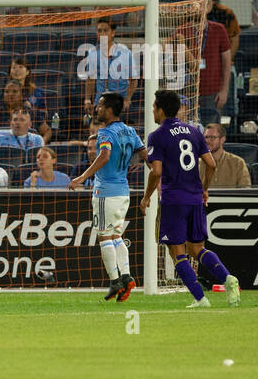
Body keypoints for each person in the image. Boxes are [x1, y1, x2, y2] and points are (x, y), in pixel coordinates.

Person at [140, 89, 240, 308]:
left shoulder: (157, 135)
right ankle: (228, 278)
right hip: (195, 199)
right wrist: (204, 189)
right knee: (197, 249)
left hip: (173, 200)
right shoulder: (194, 131)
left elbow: (156, 172)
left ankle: (200, 298)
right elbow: (211, 164)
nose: (153, 111)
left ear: (162, 110)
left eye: (154, 107)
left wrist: (146, 197)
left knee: (178, 252)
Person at [69, 91, 146, 302]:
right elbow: (146, 156)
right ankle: (127, 276)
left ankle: (115, 281)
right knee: (116, 237)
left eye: (101, 105)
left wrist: (82, 177)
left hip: (106, 192)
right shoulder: (131, 131)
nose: (97, 109)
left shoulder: (105, 133)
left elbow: (104, 156)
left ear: (110, 110)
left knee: (104, 237)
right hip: (124, 192)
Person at [199, 122, 251, 188]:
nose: (208, 141)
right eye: (206, 137)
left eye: (212, 137)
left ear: (222, 140)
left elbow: (245, 191)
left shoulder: (238, 163)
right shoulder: (197, 164)